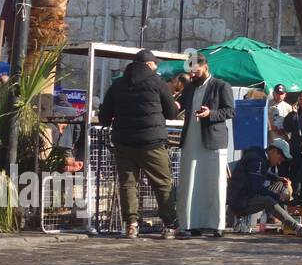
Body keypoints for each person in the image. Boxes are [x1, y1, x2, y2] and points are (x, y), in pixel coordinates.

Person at [97, 48, 180, 239]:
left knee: (128, 184)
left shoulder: (117, 85)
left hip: (124, 143)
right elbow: (171, 114)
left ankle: (131, 225)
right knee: (162, 183)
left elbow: (104, 117)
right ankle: (169, 225)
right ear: (150, 65)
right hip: (151, 142)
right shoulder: (158, 83)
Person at [177, 54, 235, 238]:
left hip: (213, 141)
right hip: (191, 140)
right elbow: (178, 106)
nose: (193, 75)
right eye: (191, 72)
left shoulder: (221, 86)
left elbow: (230, 111)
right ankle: (190, 223)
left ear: (205, 67)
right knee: (190, 182)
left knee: (214, 183)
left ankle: (216, 225)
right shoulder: (189, 87)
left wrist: (211, 113)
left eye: (196, 71)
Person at [227, 140, 302, 237]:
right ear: (273, 151)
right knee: (268, 200)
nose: (279, 162)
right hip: (239, 203)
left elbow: (260, 174)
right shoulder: (257, 160)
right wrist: (278, 197)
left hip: (245, 196)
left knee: (279, 184)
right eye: (280, 158)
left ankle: (283, 214)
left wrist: (277, 178)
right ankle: (297, 227)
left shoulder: (259, 157)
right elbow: (257, 188)